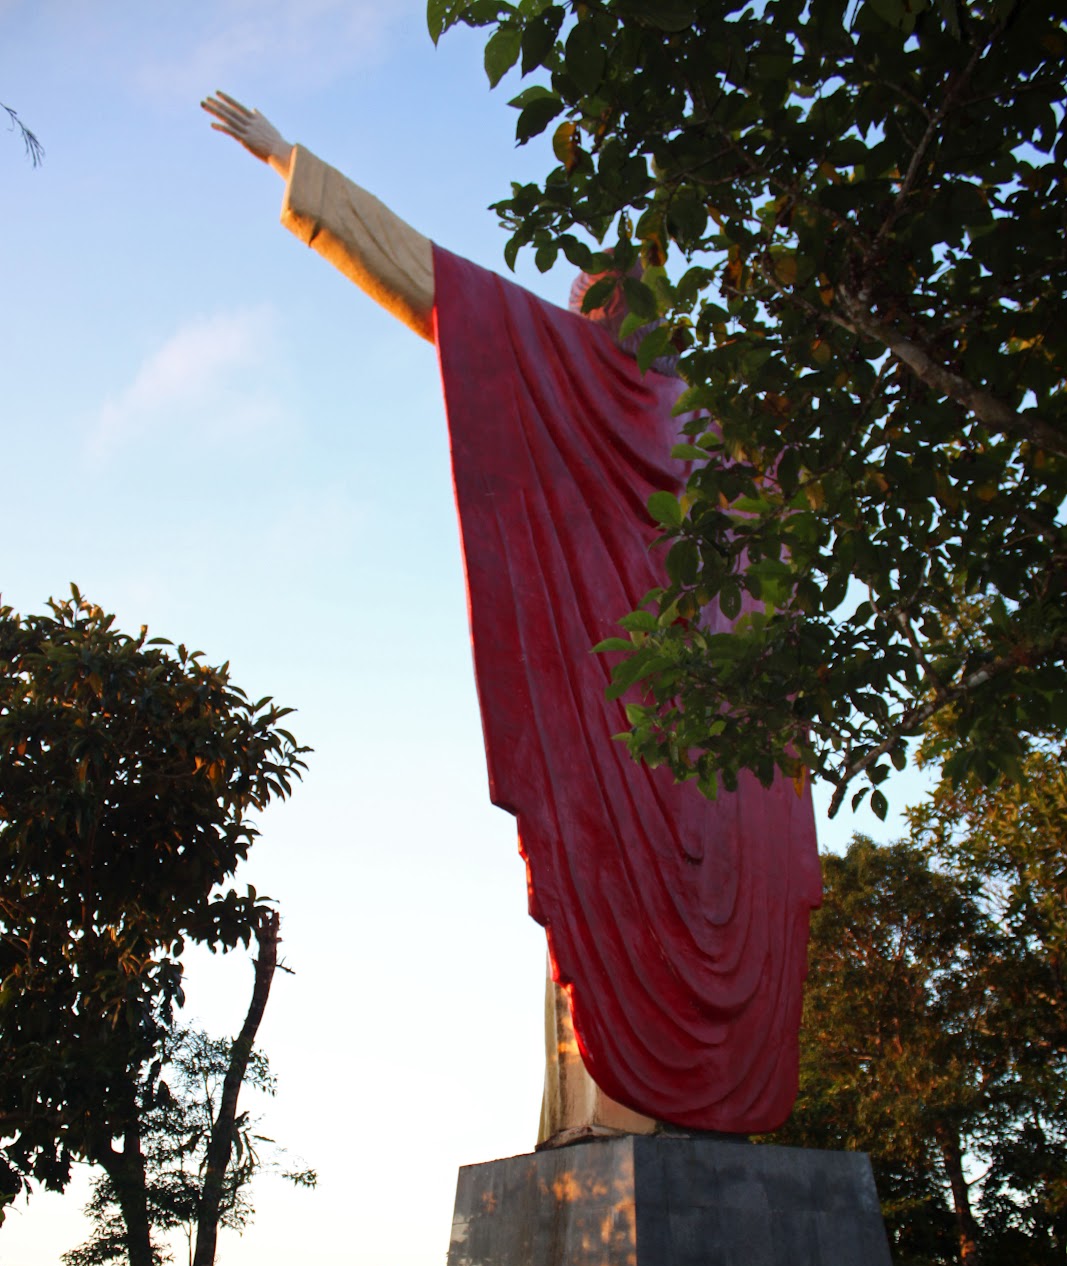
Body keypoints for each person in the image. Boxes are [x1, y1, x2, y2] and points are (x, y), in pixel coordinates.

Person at [199, 94, 822, 1143]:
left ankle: (622, 1120)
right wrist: (291, 165)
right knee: (608, 896)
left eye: (590, 297)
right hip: (654, 724)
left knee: (613, 893)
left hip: (655, 724)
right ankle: (610, 1117)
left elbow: (428, 279)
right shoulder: (724, 437)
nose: (581, 310)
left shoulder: (644, 402)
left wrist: (290, 165)